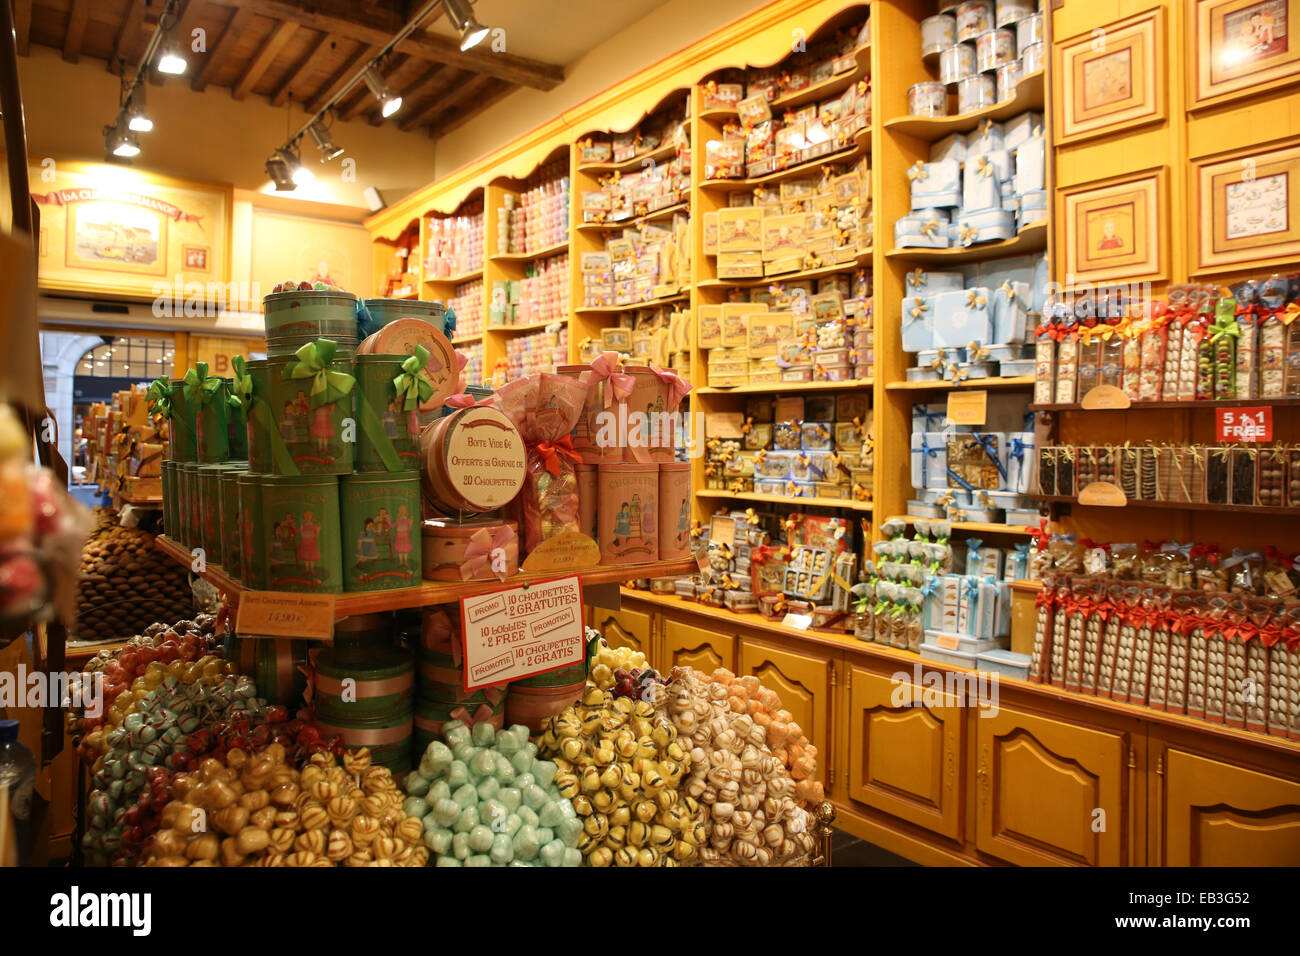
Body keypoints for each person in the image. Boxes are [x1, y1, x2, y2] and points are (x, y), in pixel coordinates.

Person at [299, 510, 321, 576]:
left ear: (312, 518)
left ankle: (312, 570)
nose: (308, 518)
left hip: (312, 544)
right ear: (304, 518)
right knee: (306, 558)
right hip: (304, 544)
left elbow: (316, 535)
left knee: (312, 558)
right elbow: (297, 532)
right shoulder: (302, 526)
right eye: (306, 516)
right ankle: (307, 570)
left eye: (309, 516)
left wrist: (318, 529)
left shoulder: (314, 526)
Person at [393, 505, 414, 570]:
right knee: (399, 550)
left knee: (405, 549)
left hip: (405, 535)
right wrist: (387, 521)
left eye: (403, 511)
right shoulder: (398, 520)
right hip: (398, 536)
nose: (402, 513)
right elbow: (392, 526)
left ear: (406, 512)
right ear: (399, 513)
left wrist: (411, 522)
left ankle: (405, 562)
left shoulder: (408, 520)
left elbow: (409, 529)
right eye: (401, 511)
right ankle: (400, 562)